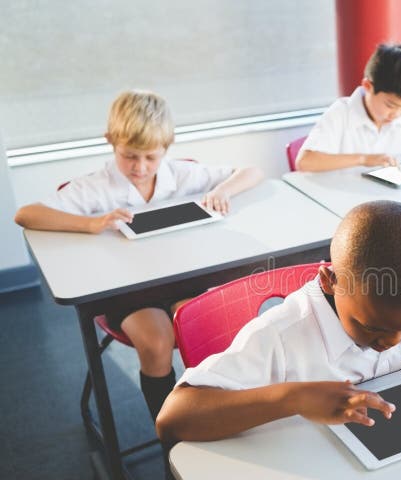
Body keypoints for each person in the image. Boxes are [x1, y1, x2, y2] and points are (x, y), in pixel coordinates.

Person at [156, 200, 401, 443]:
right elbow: (174, 417)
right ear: (329, 281)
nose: (393, 342)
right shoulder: (284, 334)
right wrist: (294, 397)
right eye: (372, 328)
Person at [14, 89, 264, 425]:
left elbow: (252, 172)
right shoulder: (96, 187)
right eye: (129, 156)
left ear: (166, 147)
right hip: (127, 289)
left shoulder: (180, 174)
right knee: (157, 342)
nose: (140, 167)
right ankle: (171, 429)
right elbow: (26, 214)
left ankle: (216, 415)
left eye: (150, 157)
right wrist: (91, 223)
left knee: (207, 329)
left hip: (180, 276)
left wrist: (221, 191)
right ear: (110, 141)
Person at [295, 43, 401, 275]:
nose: (396, 114)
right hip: (350, 224)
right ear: (368, 86)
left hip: (398, 220)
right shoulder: (341, 113)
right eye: (390, 105)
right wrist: (364, 158)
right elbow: (305, 161)